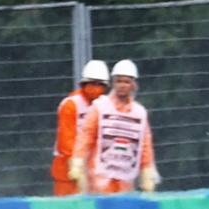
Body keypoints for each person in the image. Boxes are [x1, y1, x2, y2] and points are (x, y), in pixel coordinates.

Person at [70, 59, 158, 194]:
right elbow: (85, 136)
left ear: (133, 84)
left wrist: (147, 174)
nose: (122, 85)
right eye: (119, 81)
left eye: (126, 82)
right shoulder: (100, 107)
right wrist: (77, 162)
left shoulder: (139, 113)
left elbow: (144, 145)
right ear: (113, 83)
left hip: (125, 179)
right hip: (100, 177)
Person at [51, 60, 110, 195]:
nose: (96, 88)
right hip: (68, 170)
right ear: (84, 84)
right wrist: (76, 167)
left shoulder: (105, 105)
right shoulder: (71, 105)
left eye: (100, 84)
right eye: (93, 83)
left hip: (95, 169)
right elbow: (66, 141)